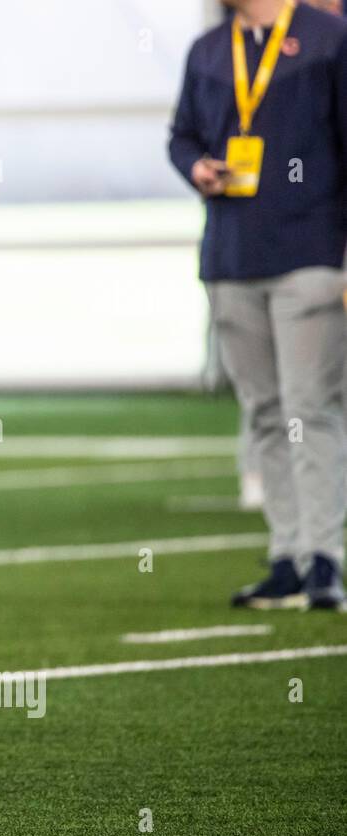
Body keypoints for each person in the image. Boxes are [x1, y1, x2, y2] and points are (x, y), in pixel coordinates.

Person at [169, 0, 347, 611]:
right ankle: (287, 556)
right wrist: (196, 166)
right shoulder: (209, 50)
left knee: (310, 407)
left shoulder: (328, 37)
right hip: (231, 256)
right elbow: (180, 135)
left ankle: (326, 558)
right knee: (265, 411)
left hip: (311, 254)